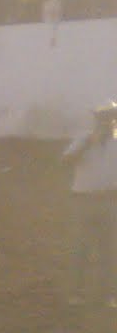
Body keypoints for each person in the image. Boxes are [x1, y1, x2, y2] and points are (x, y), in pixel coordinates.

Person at [62, 101, 117, 306]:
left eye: (111, 118)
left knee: (110, 251)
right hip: (84, 201)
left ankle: (110, 294)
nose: (108, 122)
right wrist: (87, 144)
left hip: (110, 200)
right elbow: (66, 162)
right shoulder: (83, 139)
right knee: (80, 248)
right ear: (97, 121)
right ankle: (76, 293)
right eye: (104, 118)